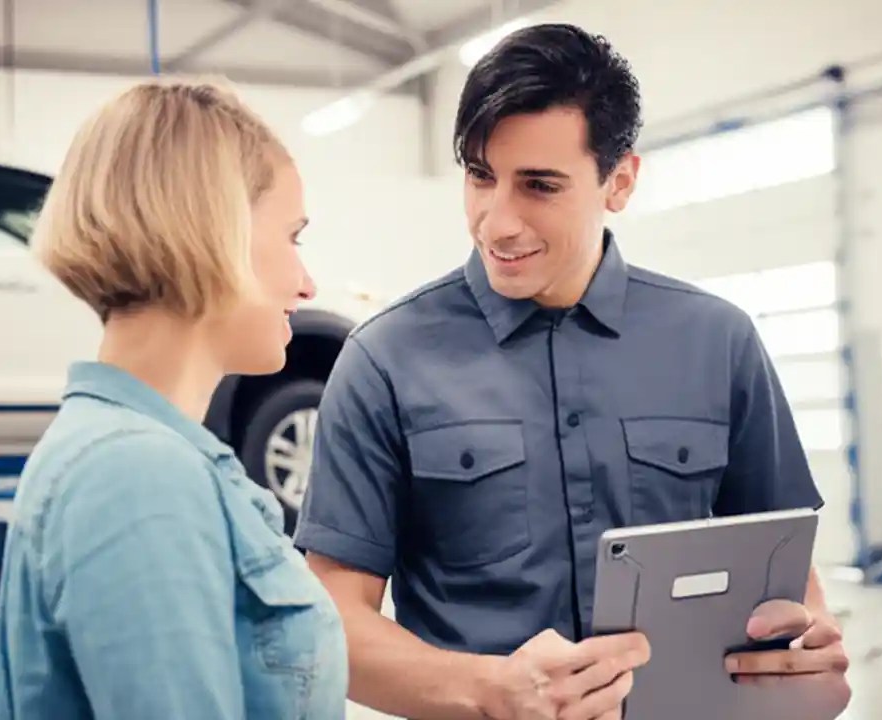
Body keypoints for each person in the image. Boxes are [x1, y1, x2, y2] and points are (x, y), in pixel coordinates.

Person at [295, 23, 851, 720]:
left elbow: (788, 579)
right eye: (480, 176)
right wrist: (490, 692)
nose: (496, 222)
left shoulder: (719, 343)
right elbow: (333, 625)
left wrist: (809, 660)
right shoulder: (384, 360)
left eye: (539, 186)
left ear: (620, 182)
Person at [0, 79, 347, 719]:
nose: (306, 283)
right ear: (214, 230)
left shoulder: (134, 456)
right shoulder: (137, 476)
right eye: (293, 236)